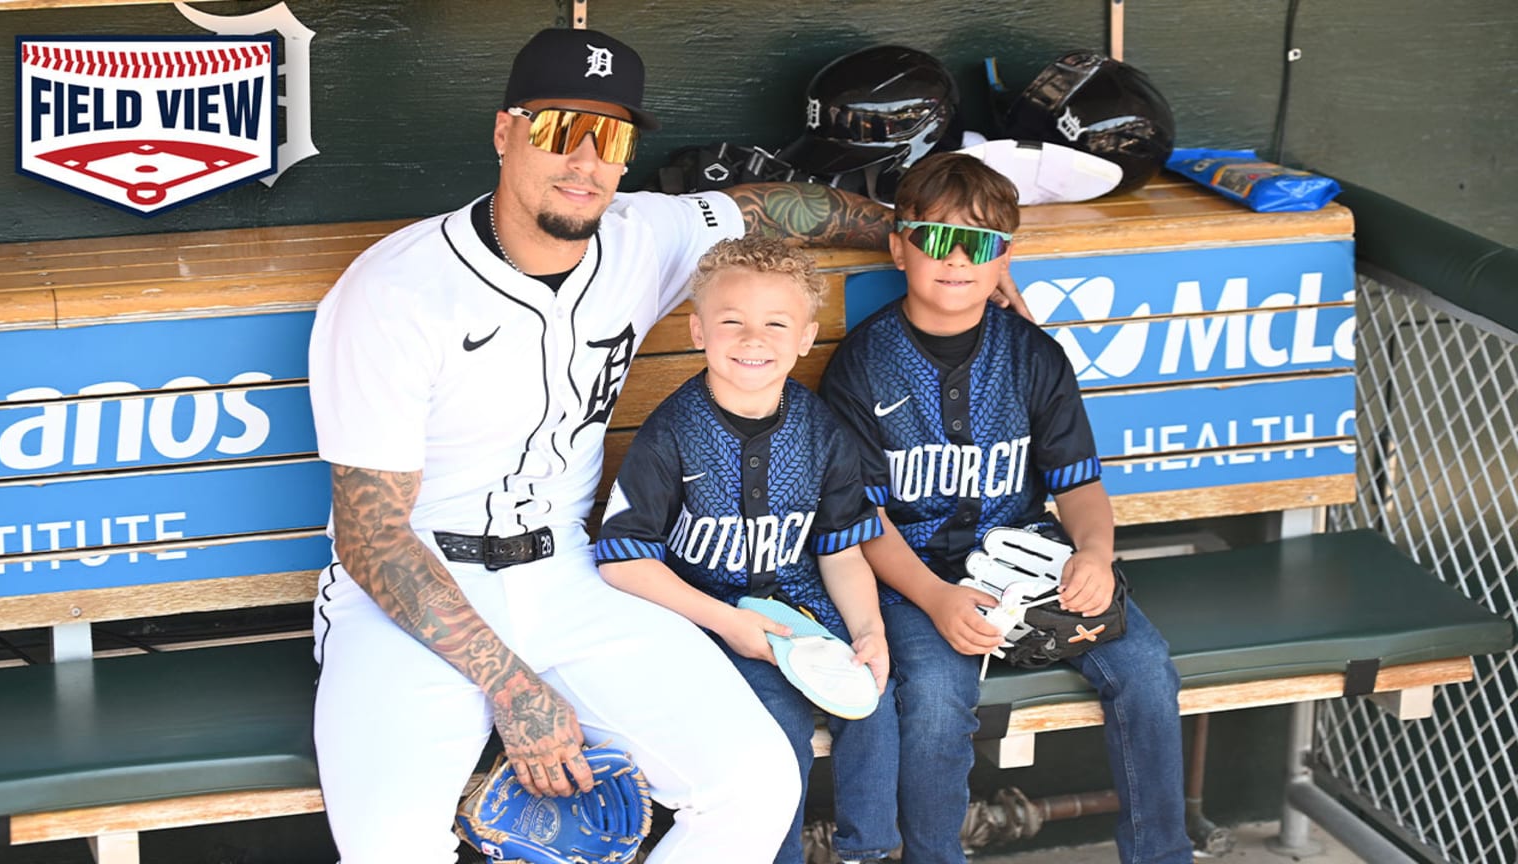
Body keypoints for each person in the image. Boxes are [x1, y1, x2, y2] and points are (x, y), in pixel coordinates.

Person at [304, 26, 923, 864]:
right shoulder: (397, 289)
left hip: (570, 574)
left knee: (756, 783)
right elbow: (374, 536)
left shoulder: (644, 234)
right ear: (504, 131)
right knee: (388, 849)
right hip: (411, 600)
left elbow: (769, 208)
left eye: (614, 136)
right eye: (560, 129)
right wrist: (510, 684)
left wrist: (929, 242)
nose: (586, 160)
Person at [820, 152, 1193, 864]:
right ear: (899, 246)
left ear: (1004, 260)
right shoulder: (862, 365)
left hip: (1027, 551)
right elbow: (862, 519)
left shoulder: (1033, 355)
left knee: (1145, 668)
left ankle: (1162, 855)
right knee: (931, 698)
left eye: (981, 243)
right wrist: (933, 598)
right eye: (936, 238)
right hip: (917, 571)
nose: (958, 258)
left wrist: (1094, 554)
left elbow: (1077, 482)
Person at [594, 234, 899, 864]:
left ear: (806, 337)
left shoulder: (822, 430)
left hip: (801, 604)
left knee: (870, 698)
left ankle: (869, 852)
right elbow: (624, 560)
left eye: (775, 324)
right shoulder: (672, 431)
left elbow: (840, 550)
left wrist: (869, 630)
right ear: (699, 329)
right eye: (732, 322)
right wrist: (729, 623)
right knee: (775, 729)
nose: (753, 339)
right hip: (704, 615)